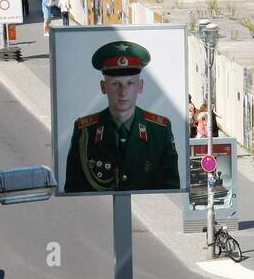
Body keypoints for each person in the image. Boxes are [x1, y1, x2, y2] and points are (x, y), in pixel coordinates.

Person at [64, 41, 180, 193]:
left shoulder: (159, 130)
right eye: (115, 84)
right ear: (103, 87)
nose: (123, 92)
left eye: (130, 83)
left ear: (140, 86)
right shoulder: (85, 131)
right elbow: (73, 189)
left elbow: (171, 188)